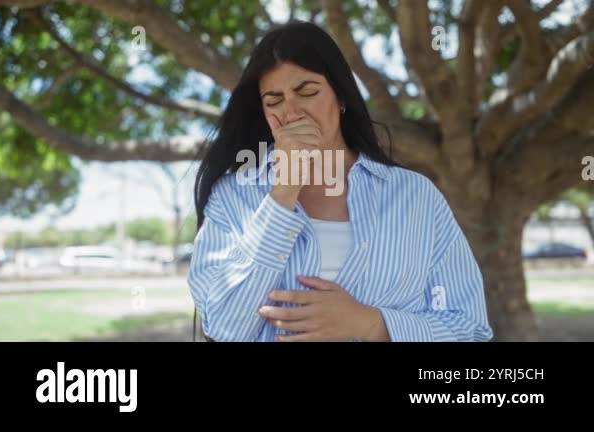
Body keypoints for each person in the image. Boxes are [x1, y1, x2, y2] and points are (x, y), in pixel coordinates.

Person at [188, 20, 493, 342]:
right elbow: (224, 328)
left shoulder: (416, 197)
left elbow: (469, 329)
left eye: (307, 92)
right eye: (274, 101)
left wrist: (372, 325)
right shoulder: (233, 196)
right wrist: (282, 194)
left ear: (342, 98)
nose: (292, 113)